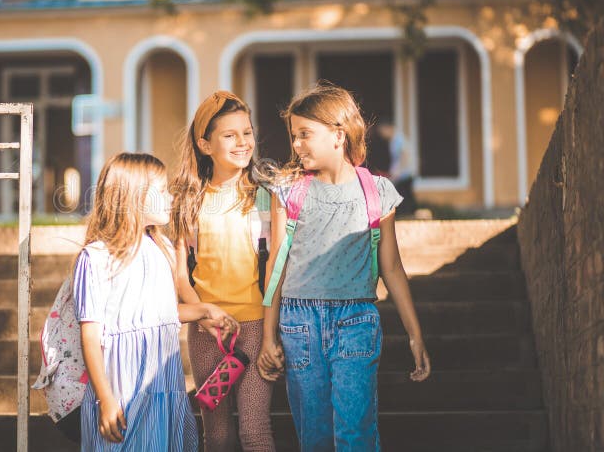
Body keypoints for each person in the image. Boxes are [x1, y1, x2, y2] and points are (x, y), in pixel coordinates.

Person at [256, 82, 431, 451]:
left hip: (357, 322)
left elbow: (393, 268)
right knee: (314, 436)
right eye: (294, 136)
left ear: (338, 134)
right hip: (298, 323)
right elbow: (276, 267)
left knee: (356, 435)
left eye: (305, 134)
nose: (296, 145)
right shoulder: (288, 190)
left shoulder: (378, 191)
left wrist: (415, 334)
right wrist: (269, 336)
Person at [74, 152, 237, 451]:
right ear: (132, 196)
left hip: (164, 384)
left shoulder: (159, 247)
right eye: (161, 191)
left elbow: (159, 313)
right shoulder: (96, 258)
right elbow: (90, 336)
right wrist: (106, 398)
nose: (170, 198)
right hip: (122, 390)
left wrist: (203, 310)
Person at [169, 90, 276, 451]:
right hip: (205, 333)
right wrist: (202, 316)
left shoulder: (264, 196)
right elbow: (181, 274)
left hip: (254, 329)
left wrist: (269, 333)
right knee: (215, 434)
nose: (242, 142)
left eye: (247, 133)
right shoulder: (188, 201)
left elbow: (276, 268)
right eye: (229, 135)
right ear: (205, 144)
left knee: (255, 429)